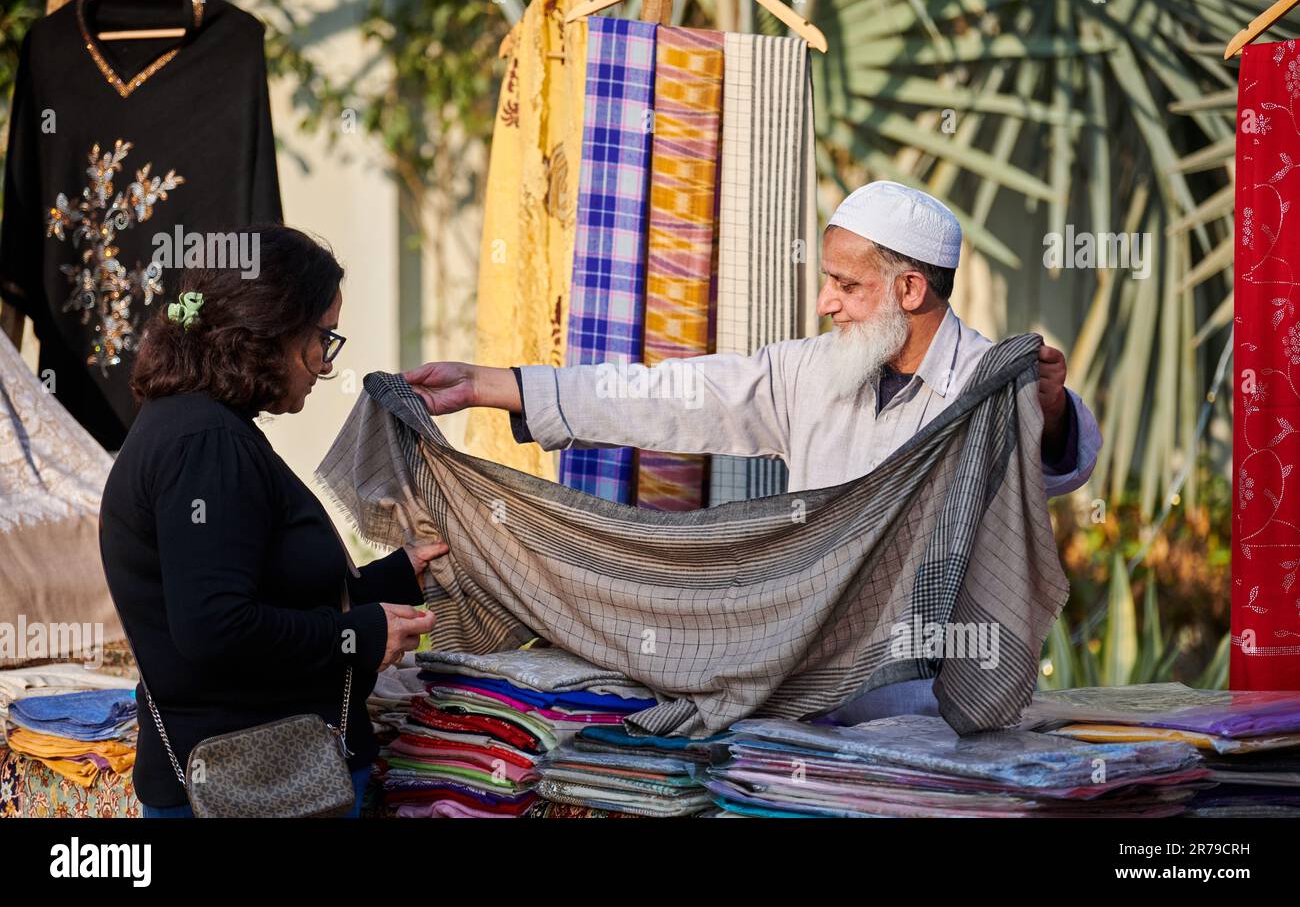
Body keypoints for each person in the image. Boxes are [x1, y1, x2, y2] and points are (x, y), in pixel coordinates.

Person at [402, 181, 1103, 724]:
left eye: (847, 285)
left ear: (910, 289)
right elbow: (676, 394)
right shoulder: (814, 371)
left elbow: (1063, 466)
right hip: (795, 693)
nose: (825, 302)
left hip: (920, 710)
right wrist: (496, 386)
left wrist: (1047, 412)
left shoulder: (984, 387)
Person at [99, 224, 441, 818]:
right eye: (322, 338)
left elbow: (270, 589)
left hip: (261, 777)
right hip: (253, 786)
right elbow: (215, 628)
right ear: (271, 331)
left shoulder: (201, 428)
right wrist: (358, 636)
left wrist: (400, 573)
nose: (324, 365)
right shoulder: (204, 445)